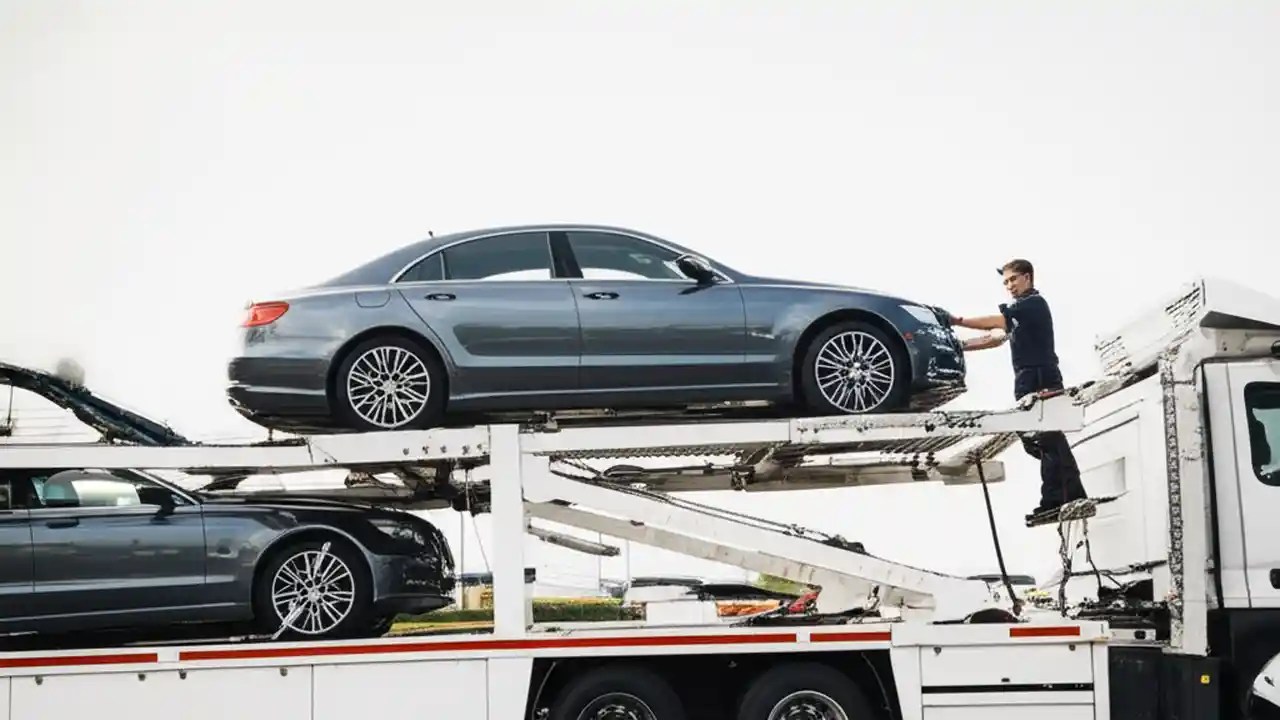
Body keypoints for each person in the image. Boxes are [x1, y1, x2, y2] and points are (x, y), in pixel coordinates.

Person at [948, 258, 1087, 521]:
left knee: (1047, 438)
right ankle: (1064, 495)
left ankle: (1062, 498)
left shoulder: (1033, 304)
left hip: (1040, 376)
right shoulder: (1020, 313)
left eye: (1013, 279)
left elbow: (997, 322)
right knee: (1039, 440)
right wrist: (962, 346)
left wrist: (957, 320)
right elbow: (994, 339)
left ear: (1028, 277)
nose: (1009, 286)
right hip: (1026, 379)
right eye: (1005, 282)